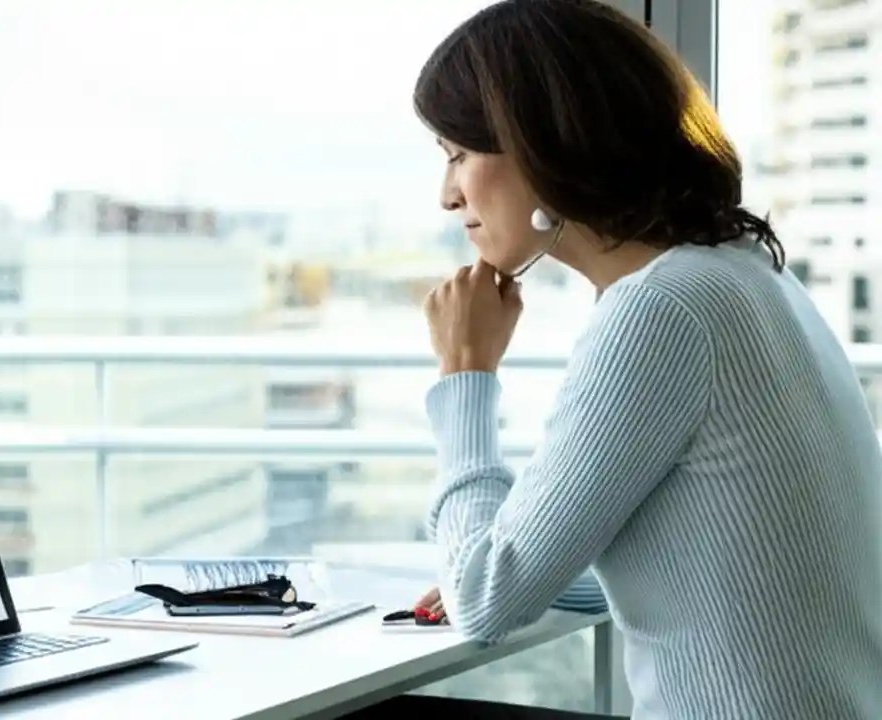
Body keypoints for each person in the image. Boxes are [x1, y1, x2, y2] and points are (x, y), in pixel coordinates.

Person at [346, 1, 882, 718]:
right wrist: (536, 564)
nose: (448, 195)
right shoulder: (746, 273)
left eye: (458, 155)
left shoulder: (660, 309)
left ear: (541, 142)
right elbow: (723, 561)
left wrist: (466, 372)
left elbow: (484, 602)